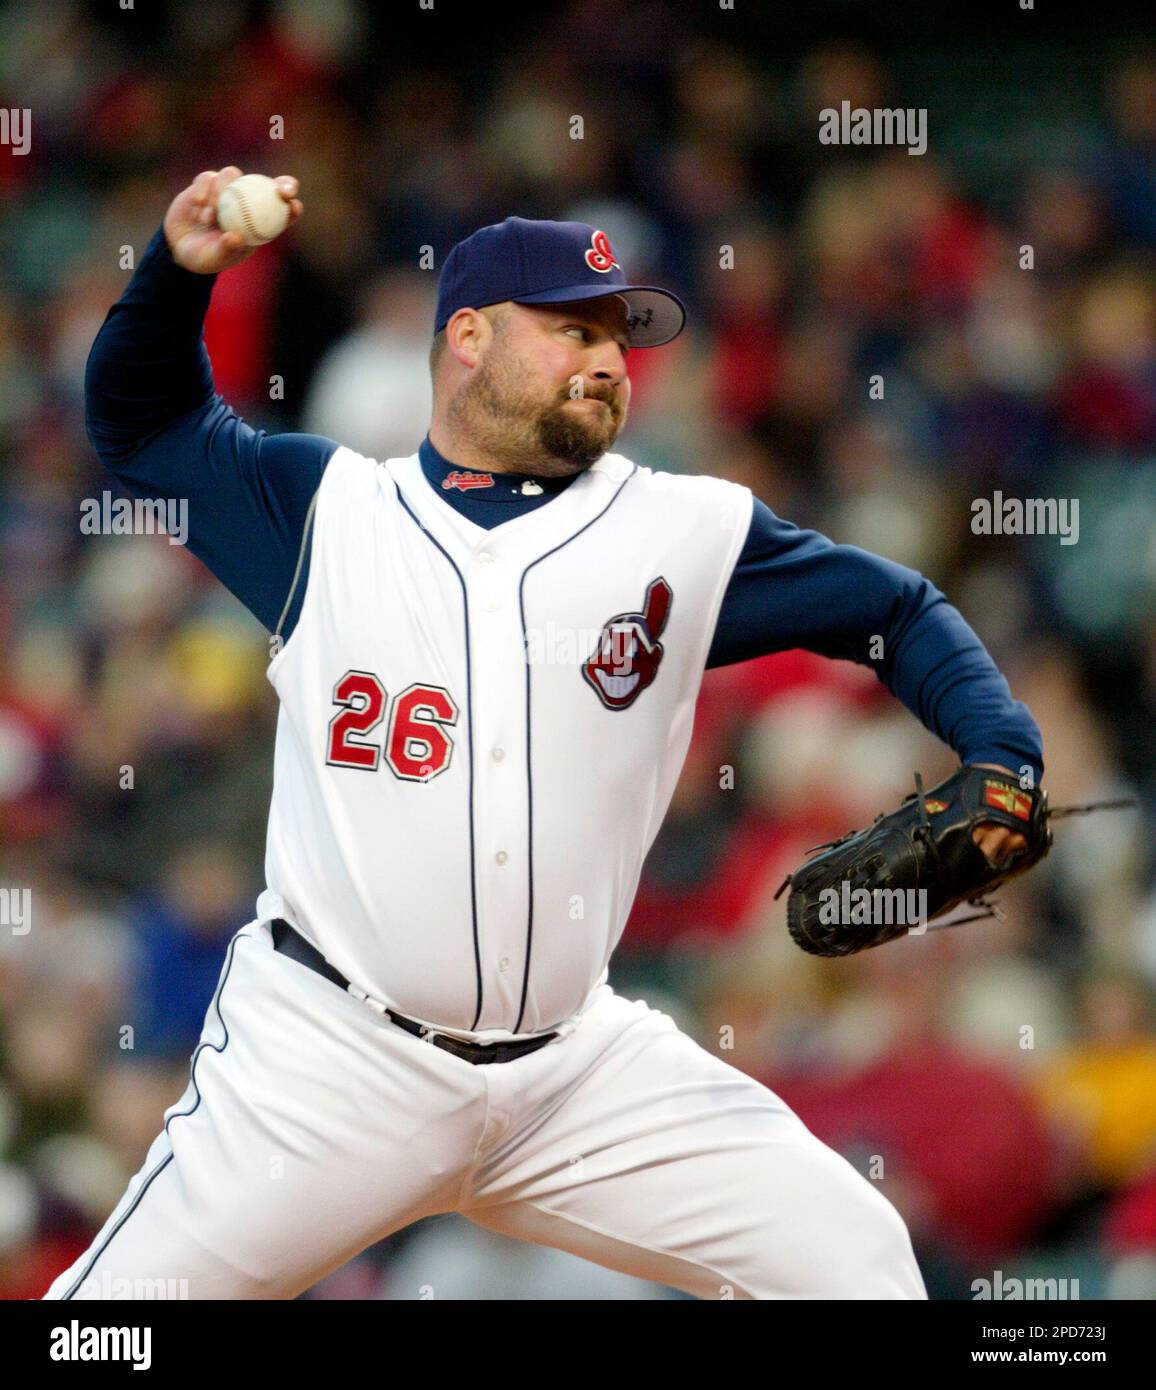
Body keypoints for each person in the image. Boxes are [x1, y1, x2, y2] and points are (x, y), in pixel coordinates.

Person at [45, 168, 1040, 1300]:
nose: (609, 357)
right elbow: (141, 425)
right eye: (573, 329)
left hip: (576, 1072)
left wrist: (1003, 751)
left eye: (620, 334)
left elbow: (893, 610)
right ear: (467, 336)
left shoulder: (684, 531)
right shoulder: (325, 512)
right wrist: (177, 275)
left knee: (856, 1261)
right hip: (330, 1061)